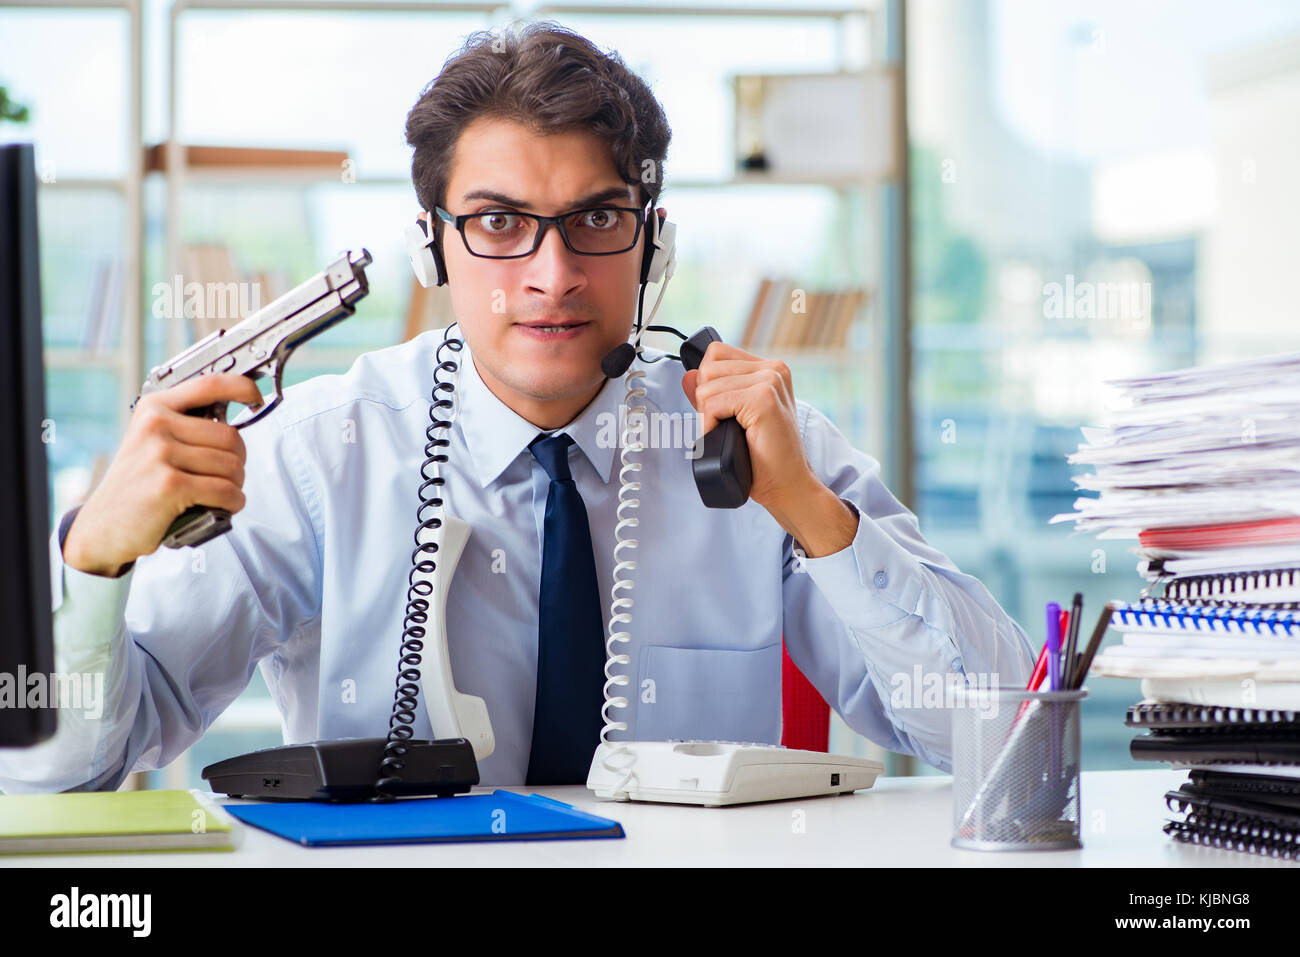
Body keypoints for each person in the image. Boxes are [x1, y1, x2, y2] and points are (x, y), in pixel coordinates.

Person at [0, 21, 1033, 793]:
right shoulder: (321, 454)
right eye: (498, 222)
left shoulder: (759, 447)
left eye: (596, 218)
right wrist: (95, 563)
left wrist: (815, 516)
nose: (551, 275)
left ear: (652, 242)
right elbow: (60, 777)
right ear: (431, 246)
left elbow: (997, 732)